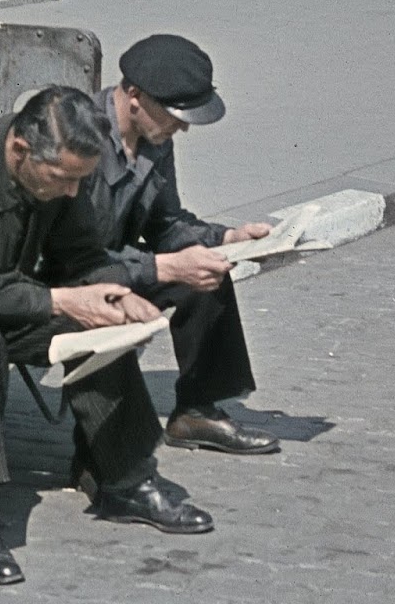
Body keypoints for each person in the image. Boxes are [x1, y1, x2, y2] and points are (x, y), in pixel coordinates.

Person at [0, 86, 215, 588]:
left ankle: (122, 477)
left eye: (78, 181)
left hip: (8, 292)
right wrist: (63, 300)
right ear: (20, 150)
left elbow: (81, 258)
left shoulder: (67, 175)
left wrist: (110, 293)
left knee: (100, 322)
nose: (71, 192)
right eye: (62, 179)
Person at [69, 35, 281, 484]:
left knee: (204, 271)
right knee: (174, 273)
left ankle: (197, 411)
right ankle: (103, 457)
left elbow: (167, 225)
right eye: (174, 116)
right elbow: (73, 256)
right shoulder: (80, 137)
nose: (180, 129)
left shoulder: (154, 136)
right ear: (133, 97)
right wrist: (160, 268)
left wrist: (227, 238)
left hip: (118, 264)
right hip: (73, 274)